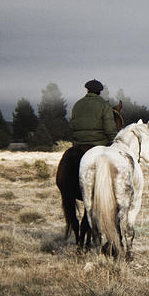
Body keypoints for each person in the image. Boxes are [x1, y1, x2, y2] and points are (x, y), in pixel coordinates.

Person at [56, 79, 120, 244]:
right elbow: (110, 129)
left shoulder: (77, 105)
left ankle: (77, 236)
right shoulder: (104, 106)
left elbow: (73, 126)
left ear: (87, 89)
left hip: (77, 145)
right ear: (100, 92)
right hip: (97, 146)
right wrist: (115, 142)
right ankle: (88, 238)